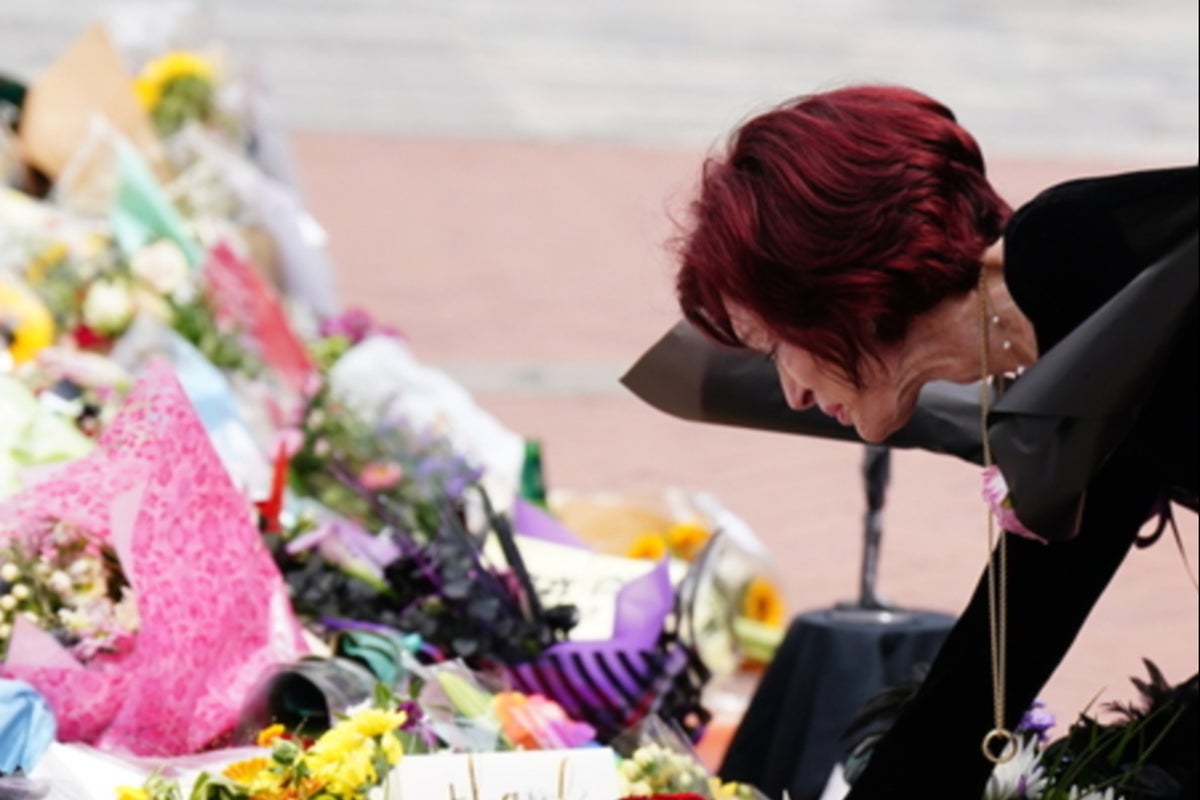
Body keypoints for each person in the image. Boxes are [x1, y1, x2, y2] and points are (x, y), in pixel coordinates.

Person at [672, 84, 1197, 797]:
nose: (790, 394)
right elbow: (999, 658)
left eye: (774, 347)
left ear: (840, 290)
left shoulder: (1081, 256)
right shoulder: (1053, 346)